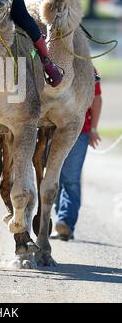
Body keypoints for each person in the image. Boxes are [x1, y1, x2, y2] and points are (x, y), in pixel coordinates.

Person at [53, 70, 102, 241]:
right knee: (54, 177)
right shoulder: (51, 63)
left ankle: (65, 222)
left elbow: (96, 99)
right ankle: (60, 220)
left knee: (71, 178)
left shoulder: (88, 68)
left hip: (80, 132)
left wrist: (94, 129)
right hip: (51, 131)